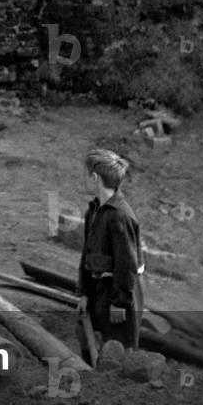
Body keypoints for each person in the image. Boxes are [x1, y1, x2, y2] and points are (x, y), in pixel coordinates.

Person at [76, 148, 145, 363]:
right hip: (98, 289)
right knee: (91, 338)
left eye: (86, 173)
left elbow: (127, 263)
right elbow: (87, 254)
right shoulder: (94, 210)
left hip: (121, 290)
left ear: (95, 178)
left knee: (118, 347)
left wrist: (119, 303)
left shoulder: (120, 216)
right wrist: (84, 292)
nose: (84, 177)